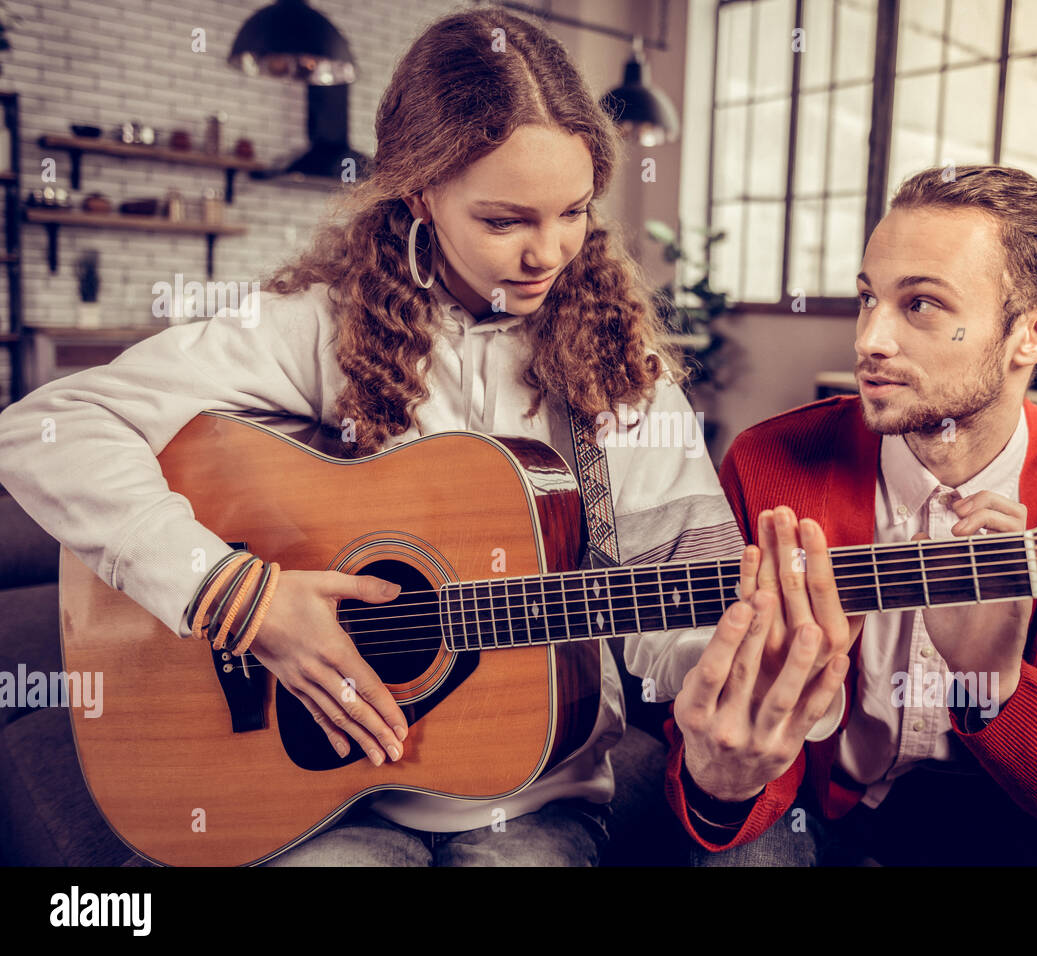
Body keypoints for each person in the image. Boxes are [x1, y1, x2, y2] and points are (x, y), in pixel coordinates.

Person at [0, 8, 744, 866]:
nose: (550, 252)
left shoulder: (619, 364)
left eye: (573, 211)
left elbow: (684, 596)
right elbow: (44, 430)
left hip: (530, 791)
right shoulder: (320, 324)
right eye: (505, 221)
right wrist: (240, 599)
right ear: (420, 193)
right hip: (311, 785)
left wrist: (726, 679)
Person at [627, 164, 1037, 866]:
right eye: (868, 299)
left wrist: (999, 684)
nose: (870, 340)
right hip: (806, 804)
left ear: (1036, 331)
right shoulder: (768, 463)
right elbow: (713, 729)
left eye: (921, 305)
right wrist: (728, 781)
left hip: (996, 821)